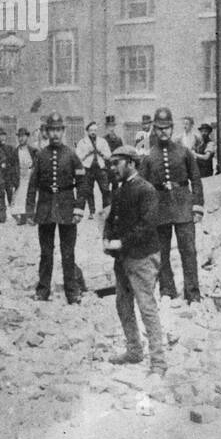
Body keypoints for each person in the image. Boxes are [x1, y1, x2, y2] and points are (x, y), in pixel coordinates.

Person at [103, 145, 165, 376]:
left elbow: (147, 225)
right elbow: (111, 219)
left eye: (117, 163)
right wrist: (106, 238)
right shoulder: (120, 189)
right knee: (123, 305)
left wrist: (123, 242)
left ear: (131, 163)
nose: (113, 168)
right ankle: (134, 350)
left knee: (146, 307)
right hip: (122, 258)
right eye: (111, 163)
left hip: (143, 257)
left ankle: (158, 362)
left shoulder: (146, 189)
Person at [140, 107, 205, 303]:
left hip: (183, 206)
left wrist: (197, 206)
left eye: (167, 127)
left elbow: (196, 179)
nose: (163, 132)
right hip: (160, 209)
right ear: (154, 129)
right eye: (159, 128)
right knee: (162, 252)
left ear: (172, 127)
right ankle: (167, 290)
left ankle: (192, 293)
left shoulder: (184, 152)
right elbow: (142, 187)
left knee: (189, 250)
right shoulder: (149, 156)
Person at [28, 112, 86, 302]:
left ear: (63, 131)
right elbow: (32, 184)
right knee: (46, 253)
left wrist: (79, 209)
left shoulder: (71, 155)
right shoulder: (41, 155)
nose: (55, 134)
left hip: (67, 207)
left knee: (68, 253)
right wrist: (30, 211)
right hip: (45, 208)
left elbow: (82, 183)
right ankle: (43, 290)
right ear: (47, 132)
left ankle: (72, 292)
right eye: (51, 130)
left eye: (58, 130)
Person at [74, 121, 112, 214]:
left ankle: (106, 210)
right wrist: (87, 153)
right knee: (88, 190)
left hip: (100, 168)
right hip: (88, 169)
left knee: (105, 189)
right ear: (87, 131)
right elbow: (78, 158)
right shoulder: (82, 142)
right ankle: (92, 211)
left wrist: (101, 152)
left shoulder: (102, 141)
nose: (93, 132)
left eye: (95, 130)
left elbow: (109, 155)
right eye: (91, 130)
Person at [11, 127, 34, 224]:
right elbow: (12, 166)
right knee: (20, 197)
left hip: (30, 175)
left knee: (30, 195)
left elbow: (36, 163)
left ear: (27, 137)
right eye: (19, 136)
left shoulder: (32, 150)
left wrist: (32, 170)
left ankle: (31, 216)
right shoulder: (15, 152)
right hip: (20, 176)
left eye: (23, 136)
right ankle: (22, 217)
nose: (21, 139)